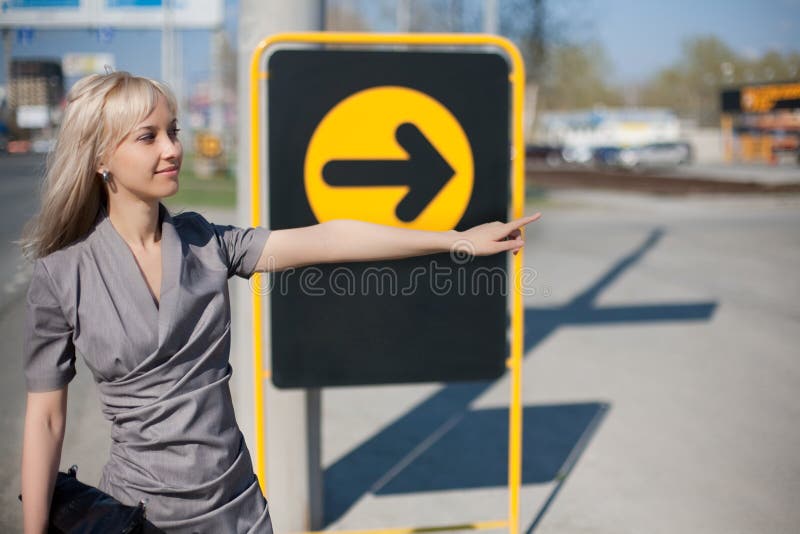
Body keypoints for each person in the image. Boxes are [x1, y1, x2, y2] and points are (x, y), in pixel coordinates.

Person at [18, 71, 540, 533]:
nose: (172, 148)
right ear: (101, 157)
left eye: (173, 131)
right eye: (148, 136)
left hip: (238, 508)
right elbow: (46, 420)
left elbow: (330, 239)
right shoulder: (61, 274)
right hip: (136, 515)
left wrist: (455, 239)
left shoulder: (208, 242)